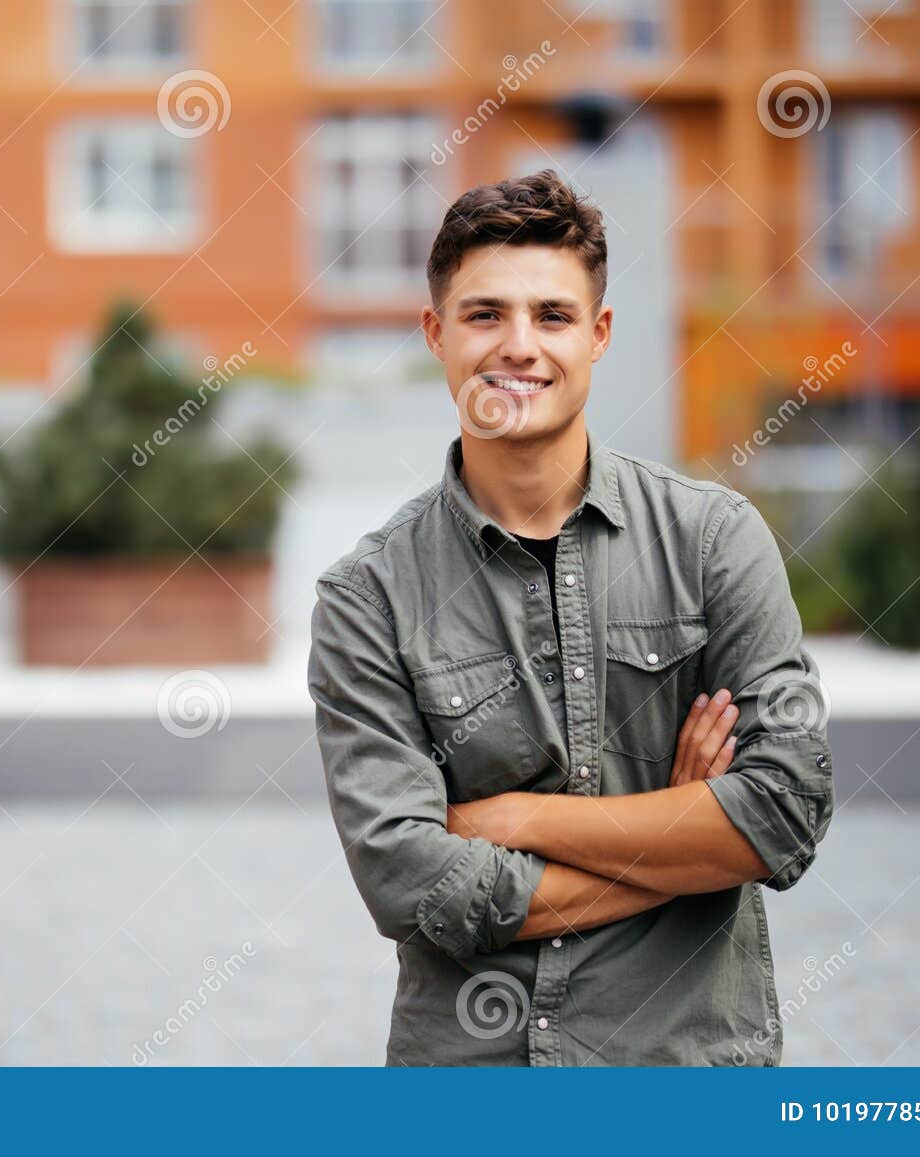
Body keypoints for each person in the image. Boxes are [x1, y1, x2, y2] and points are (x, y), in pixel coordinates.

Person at [306, 169, 835, 1066]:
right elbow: (416, 884)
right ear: (436, 335)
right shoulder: (369, 597)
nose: (519, 346)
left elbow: (784, 810)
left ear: (598, 336)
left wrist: (513, 818)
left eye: (552, 316)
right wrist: (684, 831)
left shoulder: (714, 542)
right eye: (484, 315)